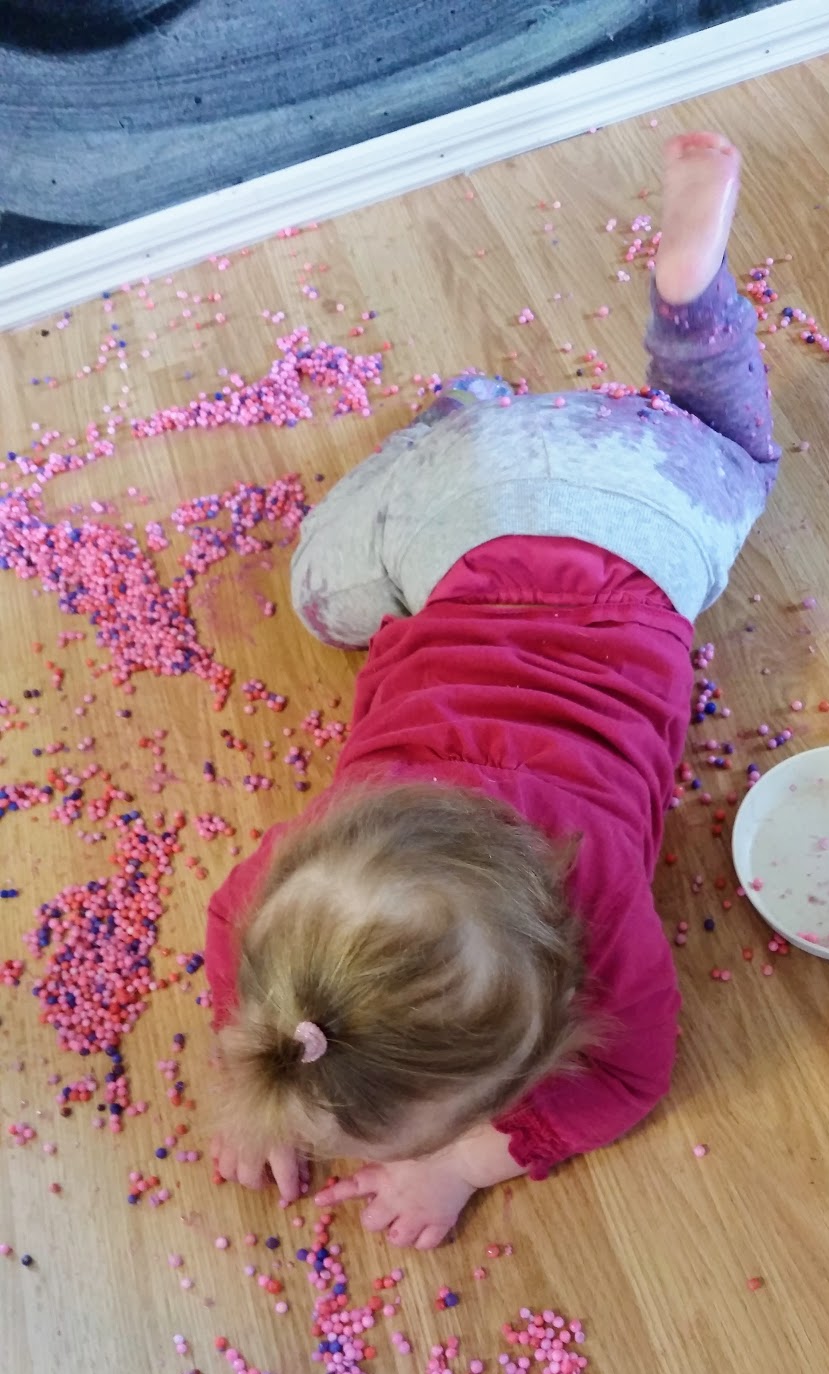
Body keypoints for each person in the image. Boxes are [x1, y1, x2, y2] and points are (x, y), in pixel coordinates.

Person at [206, 132, 779, 1248]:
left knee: (740, 457)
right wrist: (257, 1083)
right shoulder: (316, 854)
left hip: (637, 523)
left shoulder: (599, 899)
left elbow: (633, 1071)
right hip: (487, 509)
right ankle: (558, 365)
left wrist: (469, 1164)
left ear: (557, 1012)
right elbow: (242, 940)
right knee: (322, 598)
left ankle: (656, 329)